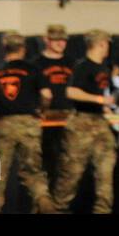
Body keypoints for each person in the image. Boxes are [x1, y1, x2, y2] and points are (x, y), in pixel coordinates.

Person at [0, 32, 54, 214]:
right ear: (23, 48)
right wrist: (42, 111)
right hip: (28, 124)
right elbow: (47, 95)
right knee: (33, 171)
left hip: (2, 126)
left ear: (4, 48)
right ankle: (43, 199)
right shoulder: (34, 69)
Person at [53, 30, 119, 214]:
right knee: (72, 172)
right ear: (101, 44)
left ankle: (103, 209)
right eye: (107, 44)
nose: (108, 48)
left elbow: (103, 94)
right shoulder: (83, 66)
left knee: (106, 172)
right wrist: (98, 100)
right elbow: (71, 92)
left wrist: (105, 107)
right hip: (81, 122)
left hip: (100, 122)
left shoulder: (104, 68)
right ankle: (58, 208)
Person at [33, 24, 73, 181]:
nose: (60, 43)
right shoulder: (36, 64)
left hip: (68, 116)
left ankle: (62, 202)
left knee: (68, 163)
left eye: (63, 40)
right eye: (56, 40)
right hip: (45, 117)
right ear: (46, 40)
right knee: (45, 161)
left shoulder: (72, 63)